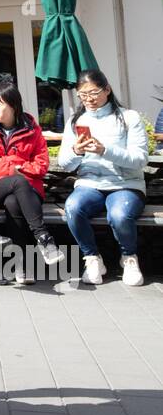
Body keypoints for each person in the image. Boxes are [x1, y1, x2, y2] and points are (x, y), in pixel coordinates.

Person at [0, 78, 60, 285]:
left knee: (14, 202)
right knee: (17, 182)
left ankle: (19, 265)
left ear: (14, 105)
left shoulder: (32, 130)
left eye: (0, 104)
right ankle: (43, 237)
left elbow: (41, 166)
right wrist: (12, 167)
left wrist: (14, 164)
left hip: (28, 192)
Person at [58, 69, 148, 287]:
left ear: (107, 89)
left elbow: (139, 159)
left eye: (94, 93)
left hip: (125, 184)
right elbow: (64, 163)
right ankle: (92, 258)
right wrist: (76, 151)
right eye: (83, 95)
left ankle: (129, 258)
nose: (89, 99)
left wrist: (105, 150)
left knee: (119, 214)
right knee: (73, 207)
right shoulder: (75, 120)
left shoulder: (128, 117)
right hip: (90, 184)